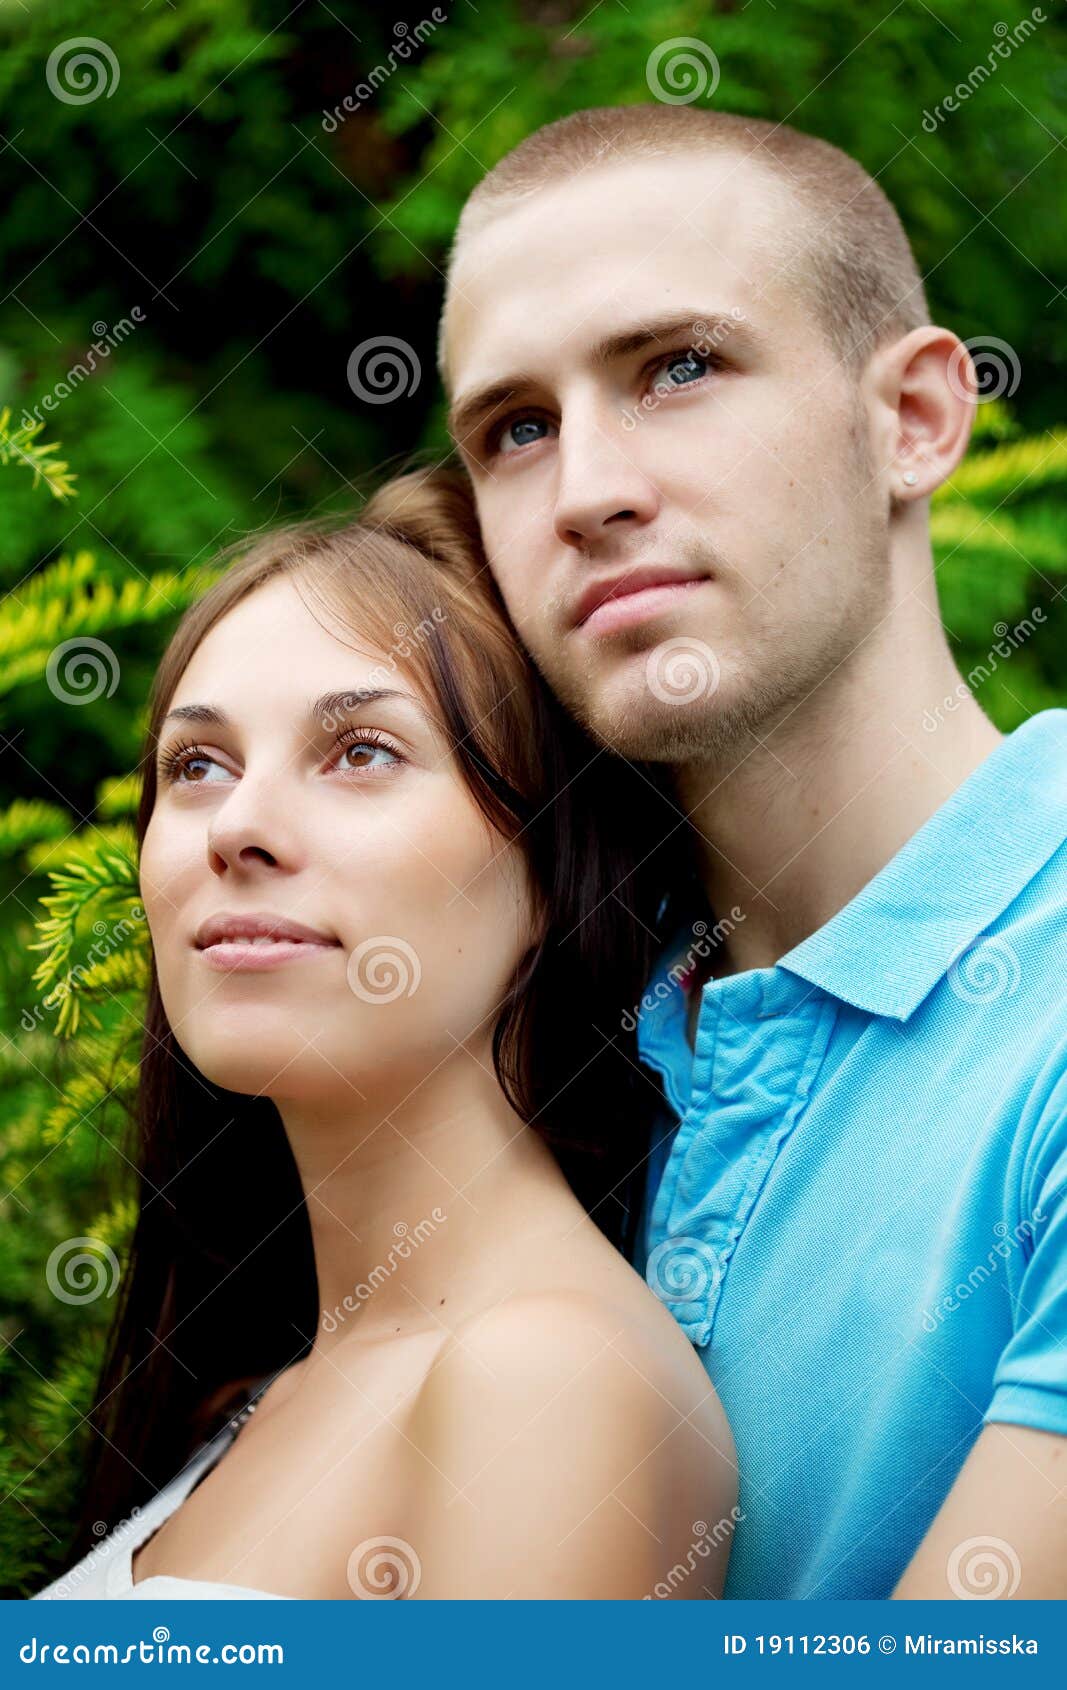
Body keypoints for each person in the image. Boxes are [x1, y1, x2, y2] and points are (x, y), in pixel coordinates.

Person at [429, 103, 1067, 1599]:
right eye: (514, 429)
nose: (586, 491)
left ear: (908, 419)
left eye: (678, 369)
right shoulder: (506, 1006)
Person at [32, 476, 736, 1601]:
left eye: (359, 750)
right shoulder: (244, 1404)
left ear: (557, 870)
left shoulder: (546, 1382)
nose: (240, 829)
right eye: (196, 766)